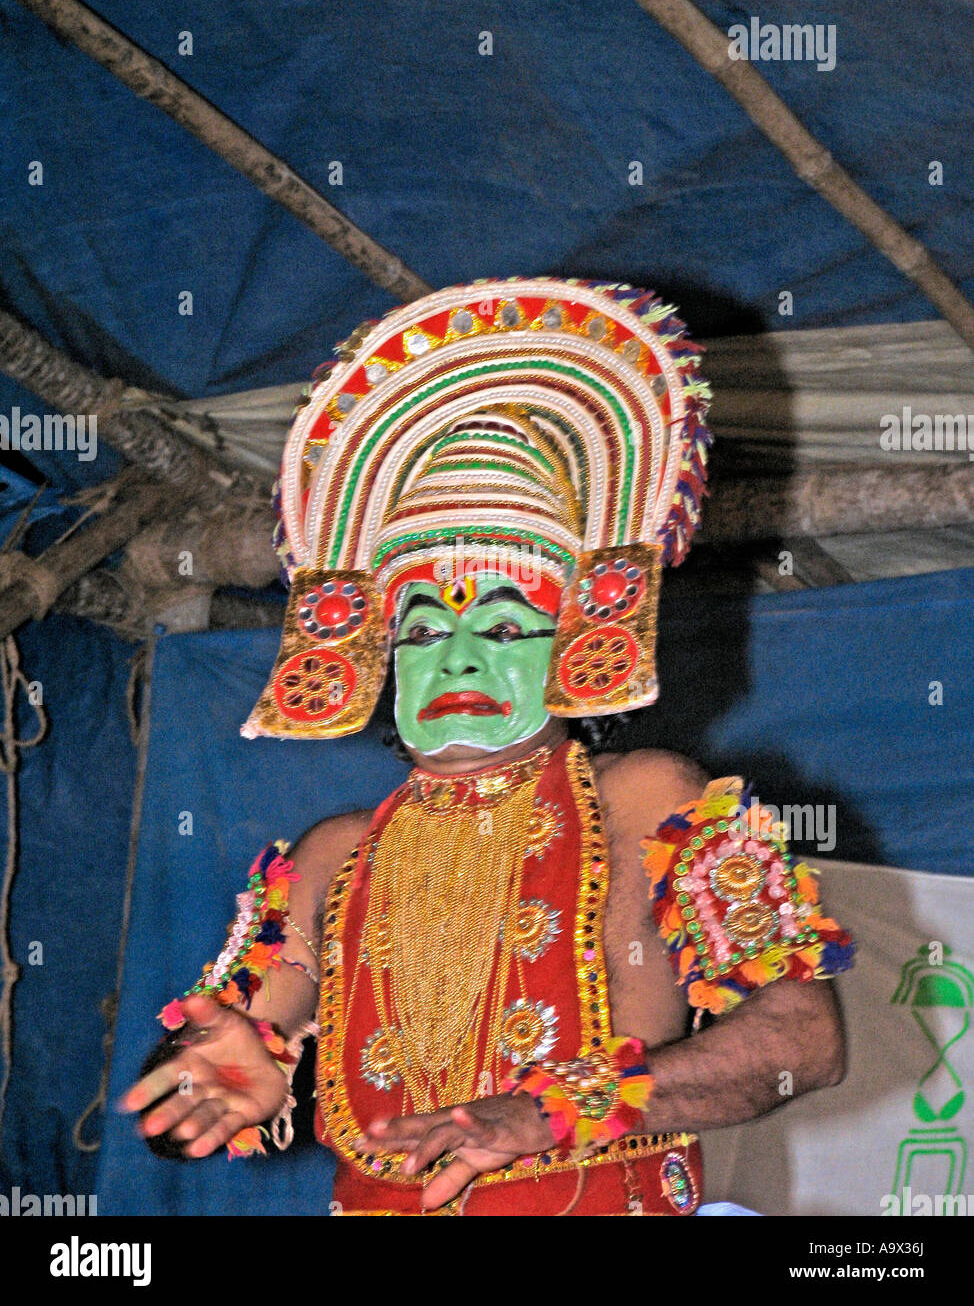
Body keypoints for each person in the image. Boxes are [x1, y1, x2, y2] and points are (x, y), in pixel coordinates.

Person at [121, 277, 854, 1215]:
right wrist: (201, 1078)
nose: (457, 654)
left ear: (581, 638)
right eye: (423, 631)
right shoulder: (328, 859)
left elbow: (803, 1039)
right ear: (378, 651)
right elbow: (218, 1070)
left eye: (505, 629)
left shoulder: (647, 798)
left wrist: (556, 1110)